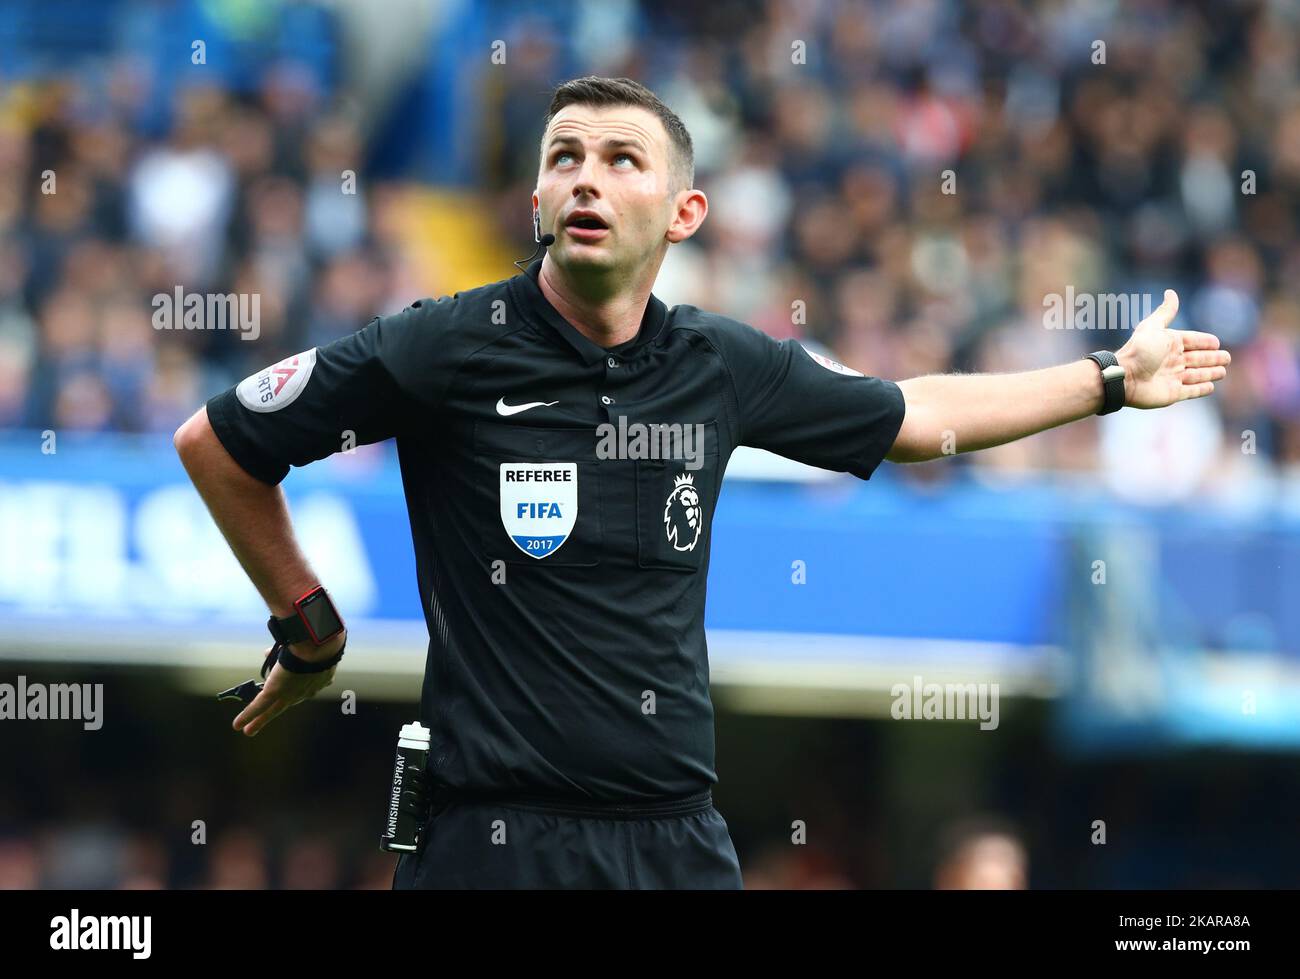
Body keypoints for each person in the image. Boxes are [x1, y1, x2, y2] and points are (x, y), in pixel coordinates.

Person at [172, 76, 1232, 889]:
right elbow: (218, 442)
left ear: (682, 212)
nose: (587, 176)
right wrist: (309, 627)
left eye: (622, 159)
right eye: (566, 157)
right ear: (538, 195)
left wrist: (1104, 380)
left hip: (674, 837)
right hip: (491, 838)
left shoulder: (722, 366)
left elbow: (919, 418)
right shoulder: (445, 346)